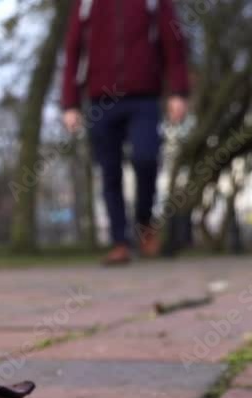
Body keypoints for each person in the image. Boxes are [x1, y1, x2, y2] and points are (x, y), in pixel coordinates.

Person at [61, 0, 190, 265]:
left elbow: (173, 42)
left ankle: (144, 221)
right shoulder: (87, 4)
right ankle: (119, 242)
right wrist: (70, 103)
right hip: (100, 100)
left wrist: (178, 91)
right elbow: (73, 51)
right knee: (109, 172)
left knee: (147, 158)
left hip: (144, 96)